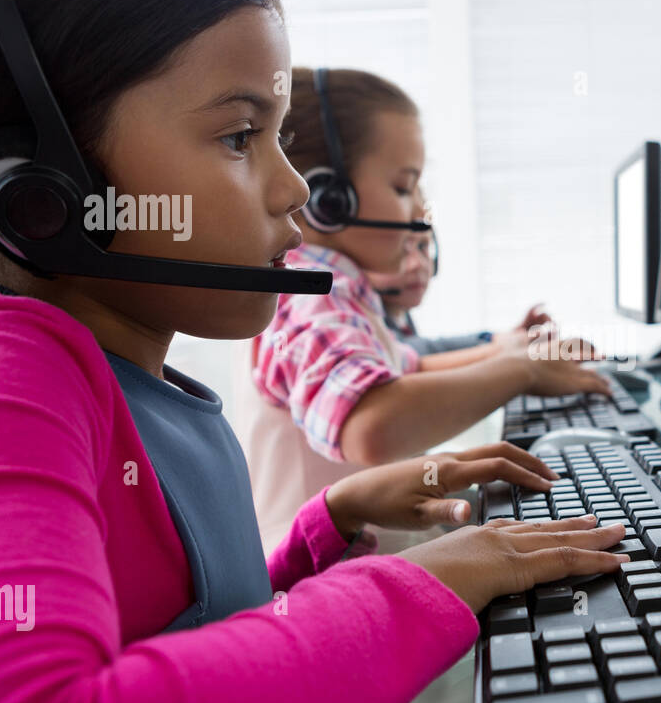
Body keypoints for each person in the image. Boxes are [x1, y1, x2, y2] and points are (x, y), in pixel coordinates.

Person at [0, 0, 627, 703]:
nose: (293, 186)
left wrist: (320, 534)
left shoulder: (146, 383)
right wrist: (425, 587)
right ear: (36, 190)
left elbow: (187, 629)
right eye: (237, 135)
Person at [234, 66, 608, 550]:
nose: (417, 212)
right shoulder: (307, 293)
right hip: (326, 589)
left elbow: (410, 368)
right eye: (403, 186)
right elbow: (369, 425)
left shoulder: (344, 291)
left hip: (364, 571)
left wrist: (512, 352)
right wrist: (520, 372)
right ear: (328, 199)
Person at [369, 187, 552, 356]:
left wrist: (512, 337)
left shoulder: (400, 315)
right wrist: (496, 342)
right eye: (401, 250)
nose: (418, 264)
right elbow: (414, 352)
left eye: (423, 246)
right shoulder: (366, 317)